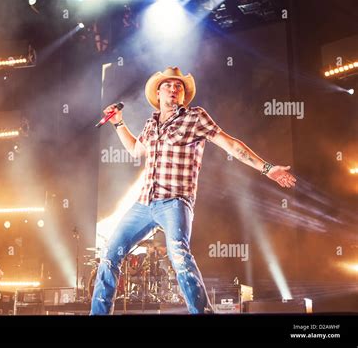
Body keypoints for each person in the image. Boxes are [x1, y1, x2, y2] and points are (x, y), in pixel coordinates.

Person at [90, 67, 296, 315]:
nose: (175, 89)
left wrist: (268, 168)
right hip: (144, 204)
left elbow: (230, 144)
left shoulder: (195, 117)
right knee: (110, 255)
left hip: (175, 201)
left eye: (179, 86)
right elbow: (136, 151)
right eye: (169, 85)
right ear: (158, 92)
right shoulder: (151, 123)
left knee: (179, 255)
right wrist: (118, 123)